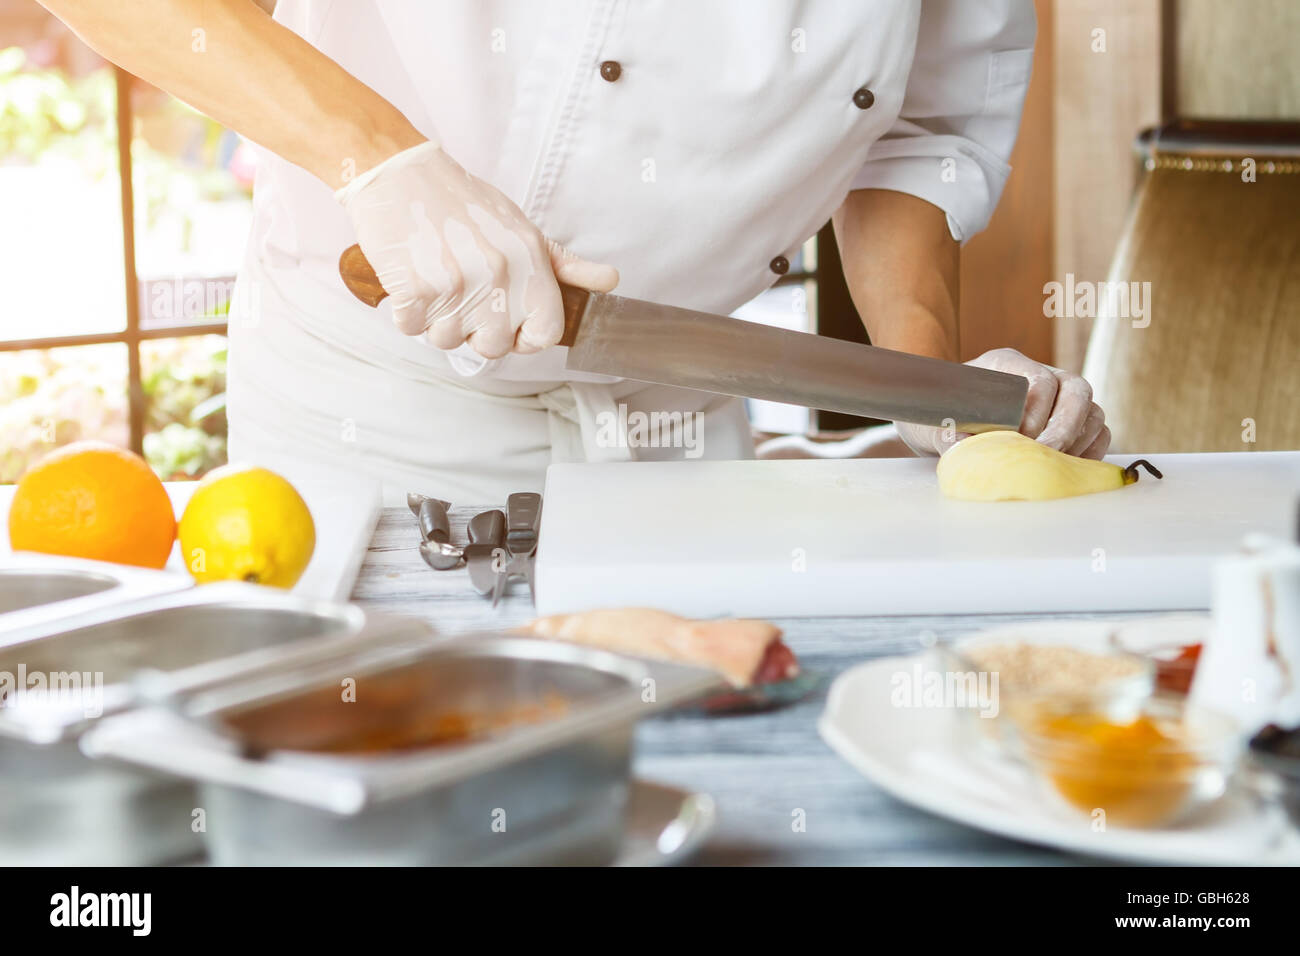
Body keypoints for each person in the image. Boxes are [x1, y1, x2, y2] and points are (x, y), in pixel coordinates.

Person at [39, 0, 1108, 504]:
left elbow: (916, 134)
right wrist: (376, 158)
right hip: (370, 409)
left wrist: (923, 379)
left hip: (680, 425)